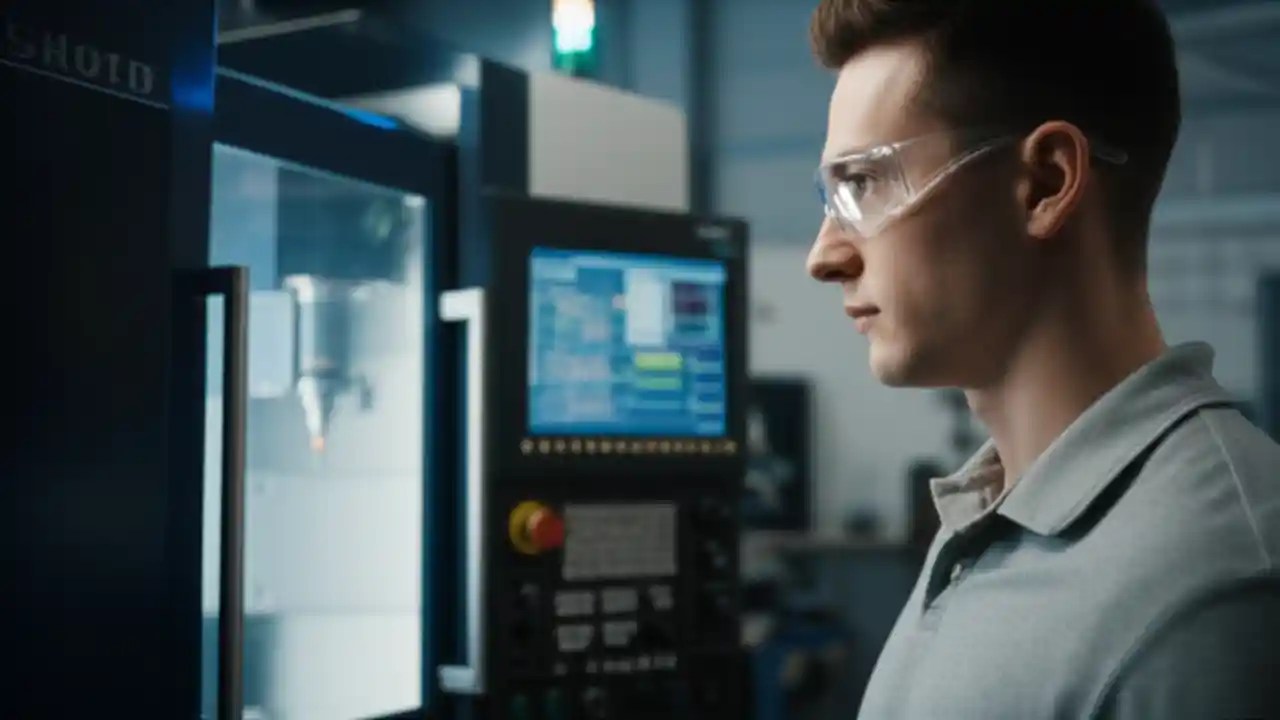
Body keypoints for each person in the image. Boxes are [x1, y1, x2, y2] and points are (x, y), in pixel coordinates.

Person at [803, 0, 1280, 718]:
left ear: (1048, 183)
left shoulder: (1211, 591)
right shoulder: (986, 521)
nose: (823, 256)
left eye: (864, 184)